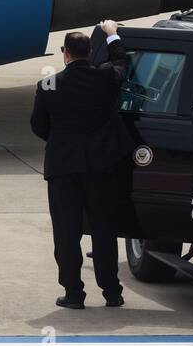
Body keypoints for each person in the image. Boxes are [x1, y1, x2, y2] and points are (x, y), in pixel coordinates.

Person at [31, 21, 130, 309]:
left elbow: (38, 125)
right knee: (104, 230)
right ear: (88, 53)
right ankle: (112, 292)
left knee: (66, 233)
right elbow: (121, 61)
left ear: (65, 53)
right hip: (101, 166)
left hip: (63, 167)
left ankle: (74, 293)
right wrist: (112, 36)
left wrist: (61, 142)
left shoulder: (48, 85)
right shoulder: (105, 77)